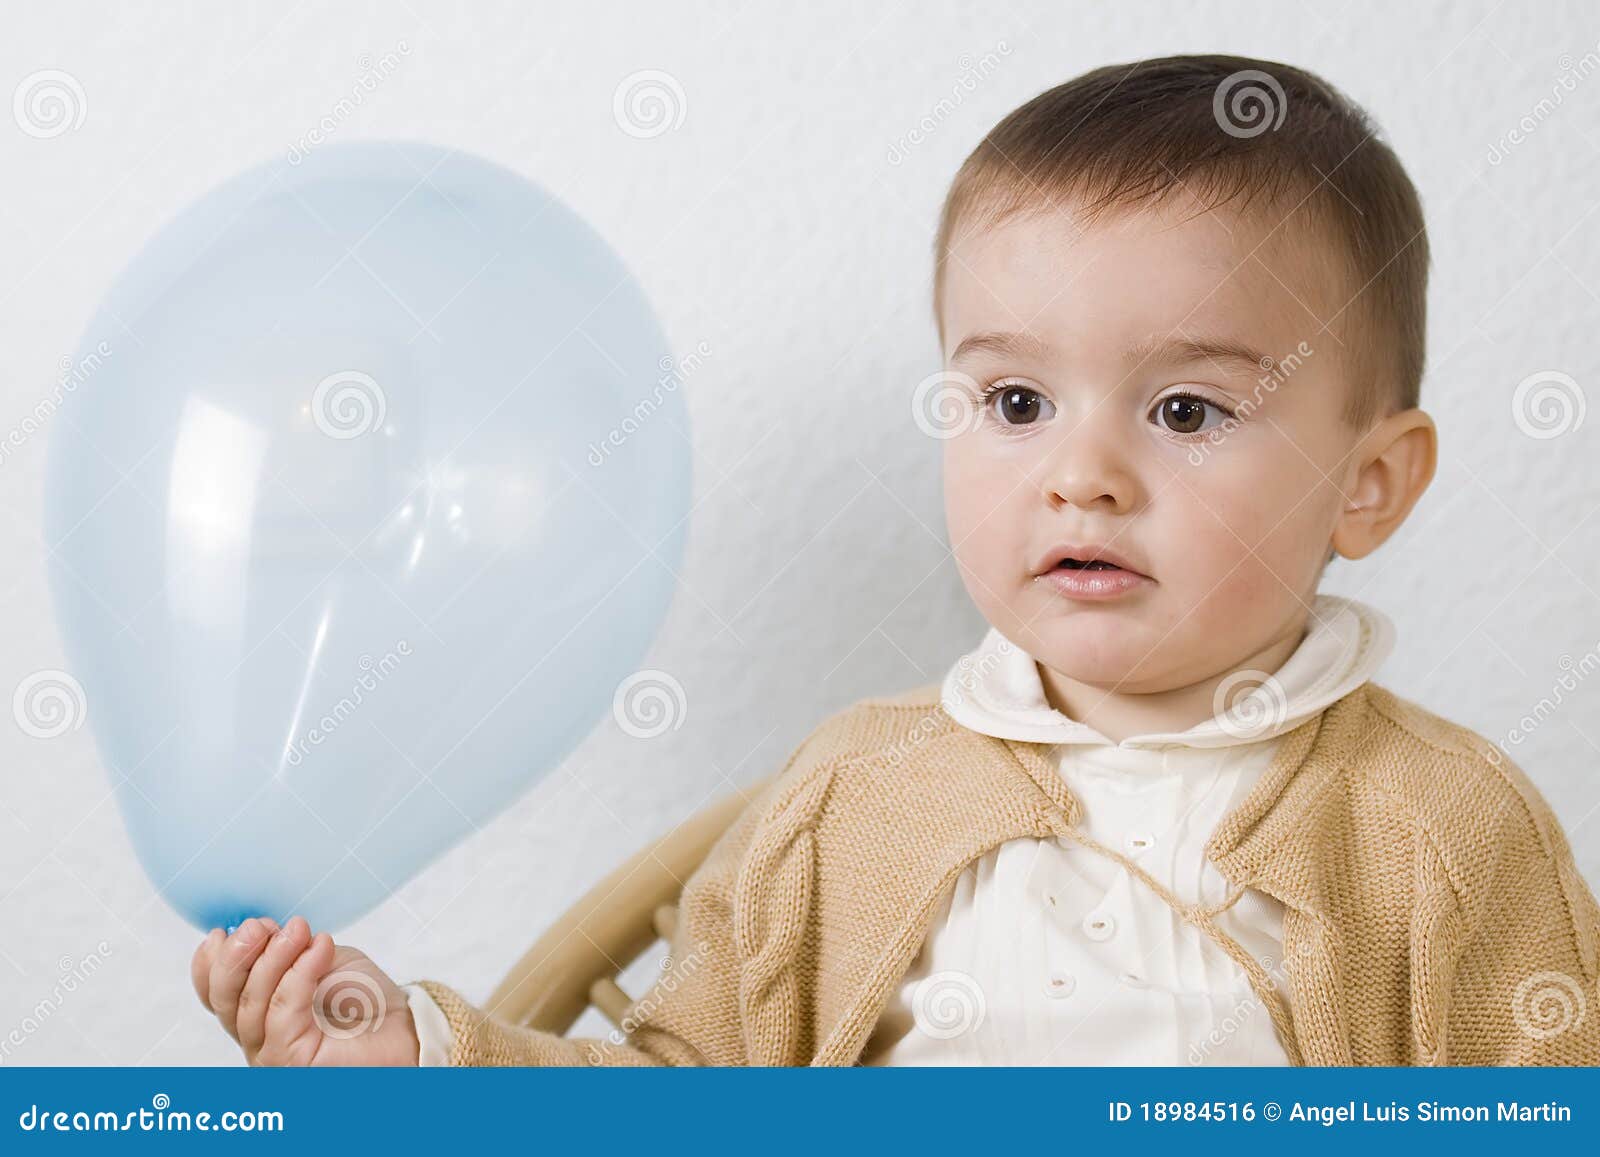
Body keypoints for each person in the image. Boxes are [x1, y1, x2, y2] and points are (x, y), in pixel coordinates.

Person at [192, 53, 1600, 1066]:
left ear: (1370, 482)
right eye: (1013, 402)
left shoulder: (1450, 832)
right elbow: (682, 1105)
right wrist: (419, 1055)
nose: (1081, 473)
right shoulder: (850, 800)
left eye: (1185, 410)